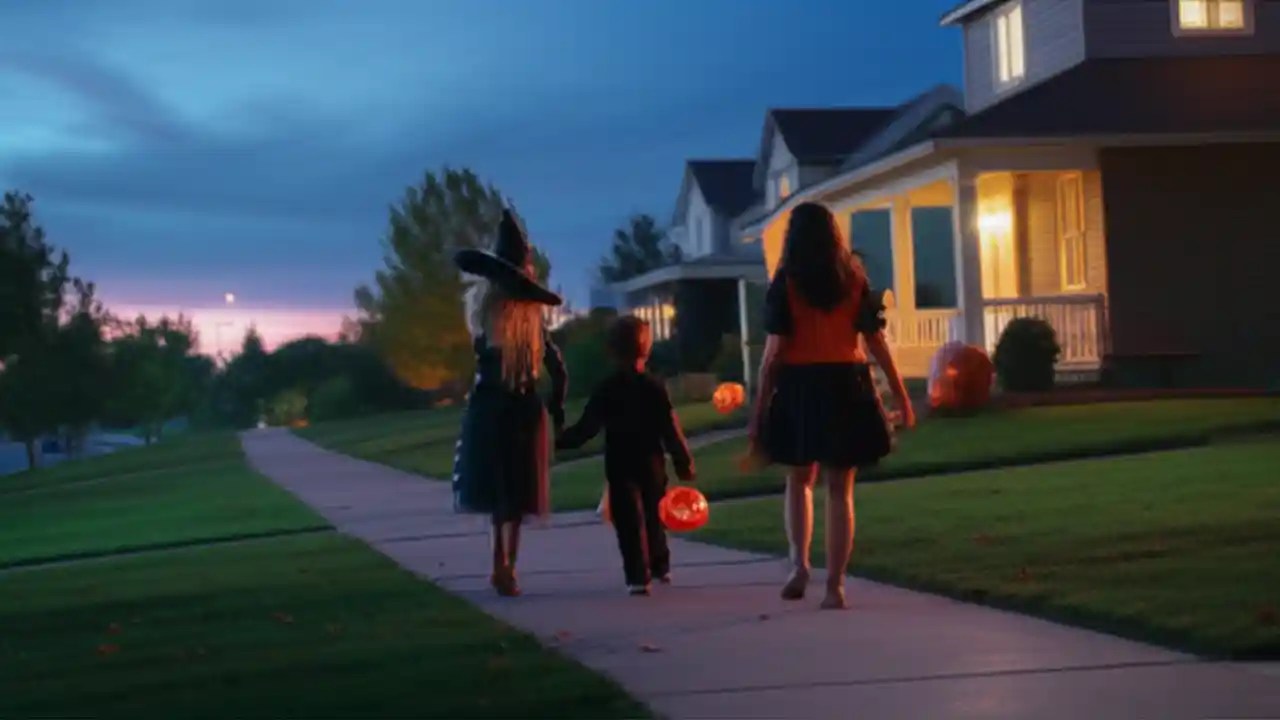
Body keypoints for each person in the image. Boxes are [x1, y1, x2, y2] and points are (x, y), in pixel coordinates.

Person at [747, 201, 916, 610]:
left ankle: (799, 565)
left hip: (800, 386)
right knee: (841, 490)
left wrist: (759, 414)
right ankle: (835, 586)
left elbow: (773, 356)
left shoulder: (787, 283)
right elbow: (876, 342)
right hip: (847, 384)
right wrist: (901, 395)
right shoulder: (854, 280)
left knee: (799, 479)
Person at [452, 208, 567, 598]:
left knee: (498, 488)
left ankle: (499, 561)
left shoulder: (483, 313)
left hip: (489, 404)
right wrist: (558, 402)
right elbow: (557, 366)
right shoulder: (529, 322)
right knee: (517, 492)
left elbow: (483, 353)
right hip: (522, 405)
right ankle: (509, 568)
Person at [556, 316, 695, 596]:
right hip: (651, 462)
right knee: (655, 514)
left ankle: (637, 576)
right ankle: (659, 565)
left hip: (620, 462)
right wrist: (683, 459)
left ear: (611, 350)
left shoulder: (606, 389)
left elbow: (587, 428)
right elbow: (670, 427)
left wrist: (558, 440)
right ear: (647, 349)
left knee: (628, 520)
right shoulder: (654, 387)